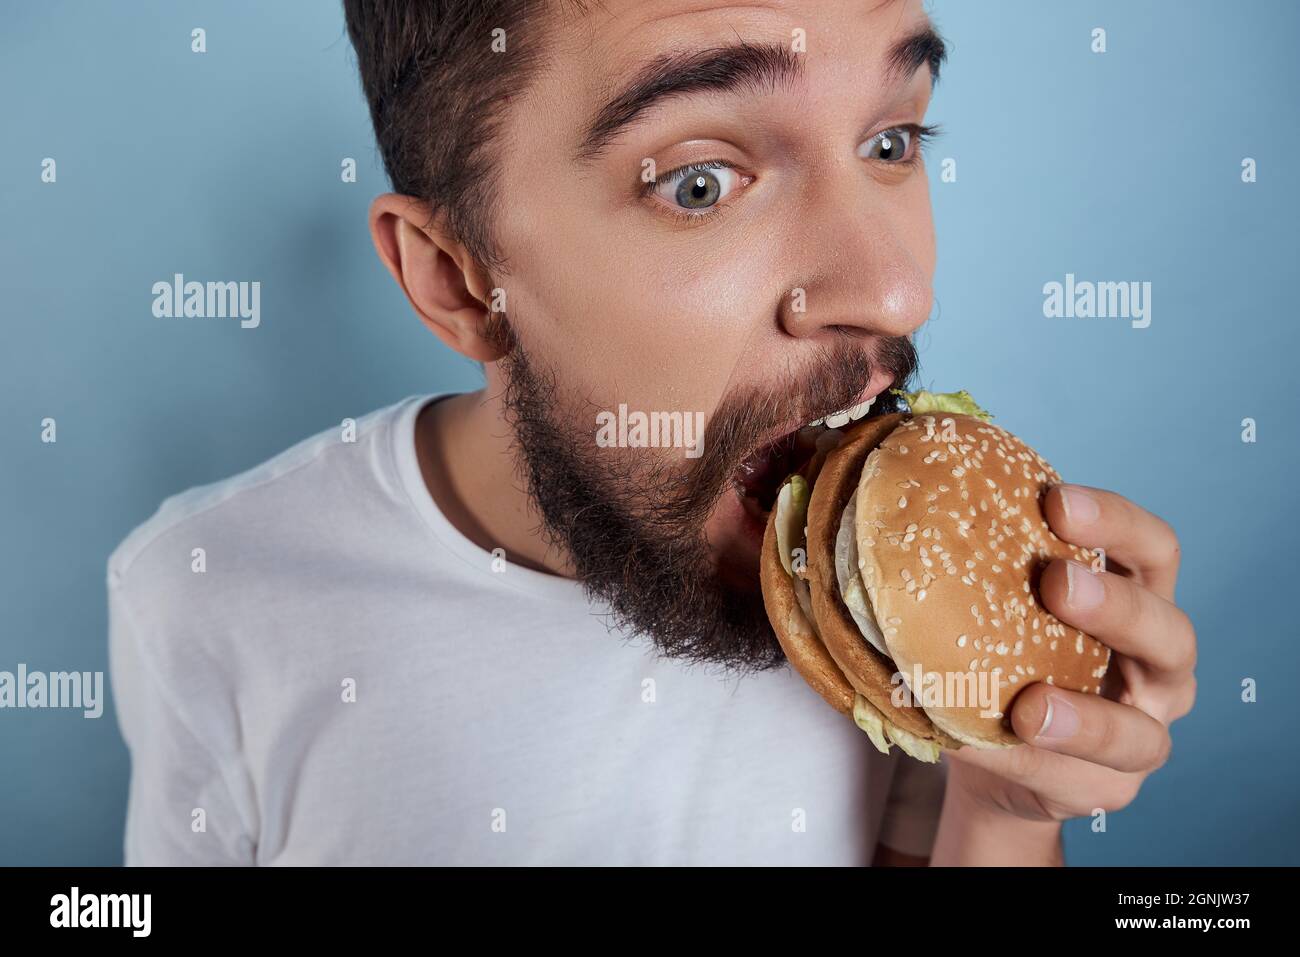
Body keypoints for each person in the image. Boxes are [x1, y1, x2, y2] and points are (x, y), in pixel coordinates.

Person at [107, 0, 1197, 865]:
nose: (895, 291)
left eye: (890, 137)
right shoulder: (205, 590)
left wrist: (1005, 805)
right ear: (458, 282)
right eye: (700, 182)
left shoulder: (906, 632)